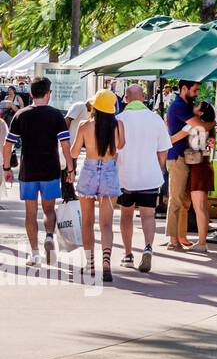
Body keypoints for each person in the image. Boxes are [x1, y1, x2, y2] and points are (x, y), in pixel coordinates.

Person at [3, 77, 75, 268]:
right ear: (48, 93)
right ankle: (50, 236)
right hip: (50, 169)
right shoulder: (56, 115)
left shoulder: (21, 115)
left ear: (30, 94)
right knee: (49, 209)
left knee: (30, 212)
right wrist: (70, 168)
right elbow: (65, 144)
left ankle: (34, 253)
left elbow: (8, 145)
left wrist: (6, 168)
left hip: (28, 170)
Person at [71, 89, 127, 281]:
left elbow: (74, 152)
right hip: (110, 172)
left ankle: (90, 264)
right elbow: (121, 145)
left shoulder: (85, 125)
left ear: (94, 106)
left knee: (87, 222)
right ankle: (106, 263)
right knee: (106, 224)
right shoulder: (118, 125)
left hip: (89, 172)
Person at [115, 84, 171, 273]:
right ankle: (148, 247)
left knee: (126, 215)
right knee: (148, 215)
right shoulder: (155, 119)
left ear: (126, 98)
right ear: (143, 97)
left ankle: (128, 254)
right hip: (150, 176)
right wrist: (159, 168)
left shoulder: (119, 120)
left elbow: (113, 151)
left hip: (125, 177)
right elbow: (163, 151)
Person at [164, 80, 200, 250]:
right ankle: (173, 239)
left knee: (184, 201)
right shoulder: (179, 106)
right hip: (177, 157)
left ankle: (181, 236)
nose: (197, 93)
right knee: (177, 199)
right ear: (184, 88)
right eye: (194, 90)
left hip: (183, 157)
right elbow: (197, 126)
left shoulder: (183, 106)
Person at [184, 102, 217, 254]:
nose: (194, 106)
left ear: (201, 113)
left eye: (196, 106)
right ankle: (201, 240)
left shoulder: (199, 128)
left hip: (198, 168)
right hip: (203, 166)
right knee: (201, 207)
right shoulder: (208, 127)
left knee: (199, 208)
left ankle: (202, 241)